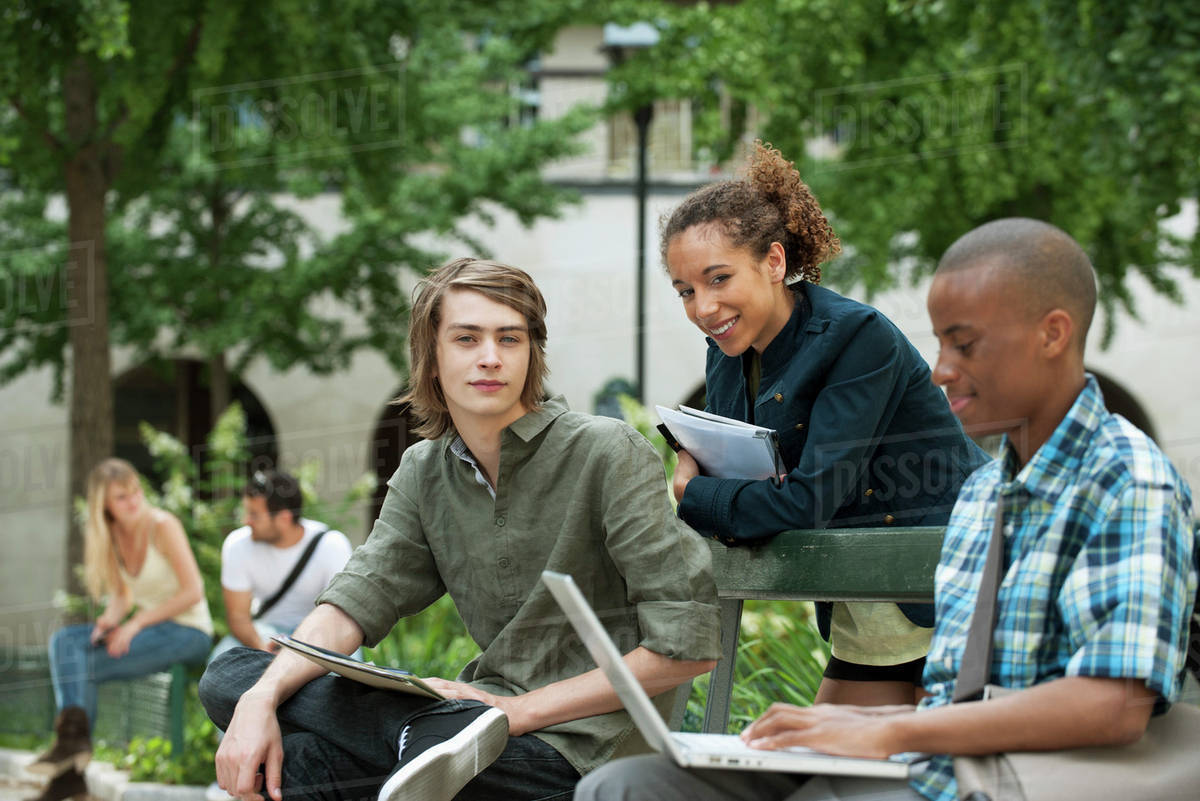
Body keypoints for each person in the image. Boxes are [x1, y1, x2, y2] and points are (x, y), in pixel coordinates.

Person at [576, 217, 1199, 801]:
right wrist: (849, 721)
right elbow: (959, 695)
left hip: (1017, 777)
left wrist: (893, 732)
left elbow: (1113, 708)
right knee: (627, 786)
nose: (941, 373)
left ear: (1053, 334)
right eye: (941, 346)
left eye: (965, 346)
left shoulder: (1131, 481)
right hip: (940, 755)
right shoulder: (986, 493)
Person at [198, 257, 722, 801]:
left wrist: (516, 712)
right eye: (467, 338)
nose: (490, 358)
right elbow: (357, 600)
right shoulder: (424, 471)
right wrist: (259, 700)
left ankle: (425, 742)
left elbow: (688, 649)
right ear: (432, 357)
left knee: (316, 763)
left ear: (531, 354)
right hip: (472, 731)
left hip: (584, 749)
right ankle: (418, 743)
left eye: (509, 339)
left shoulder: (605, 452)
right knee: (234, 678)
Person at [662, 142, 987, 706]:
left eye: (718, 279)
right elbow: (751, 473)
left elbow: (807, 499)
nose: (703, 308)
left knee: (922, 779)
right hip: (864, 592)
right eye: (686, 291)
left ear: (774, 262)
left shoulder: (857, 337)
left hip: (945, 584)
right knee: (826, 771)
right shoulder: (726, 351)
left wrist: (694, 492)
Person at [30, 458, 213, 798]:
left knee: (77, 668)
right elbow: (122, 596)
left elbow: (193, 593)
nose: (133, 502)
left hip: (188, 633)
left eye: (135, 492)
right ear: (106, 507)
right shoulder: (112, 536)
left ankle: (68, 769)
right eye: (121, 497)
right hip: (149, 632)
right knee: (67, 645)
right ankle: (72, 760)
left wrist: (135, 624)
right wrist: (109, 622)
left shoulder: (163, 525)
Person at [209, 469, 352, 661]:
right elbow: (238, 618)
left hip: (319, 634)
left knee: (346, 673)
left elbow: (339, 616)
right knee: (219, 662)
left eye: (254, 515)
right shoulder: (237, 545)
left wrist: (299, 646)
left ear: (284, 518)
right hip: (264, 633)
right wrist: (261, 647)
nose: (246, 521)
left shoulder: (331, 545)